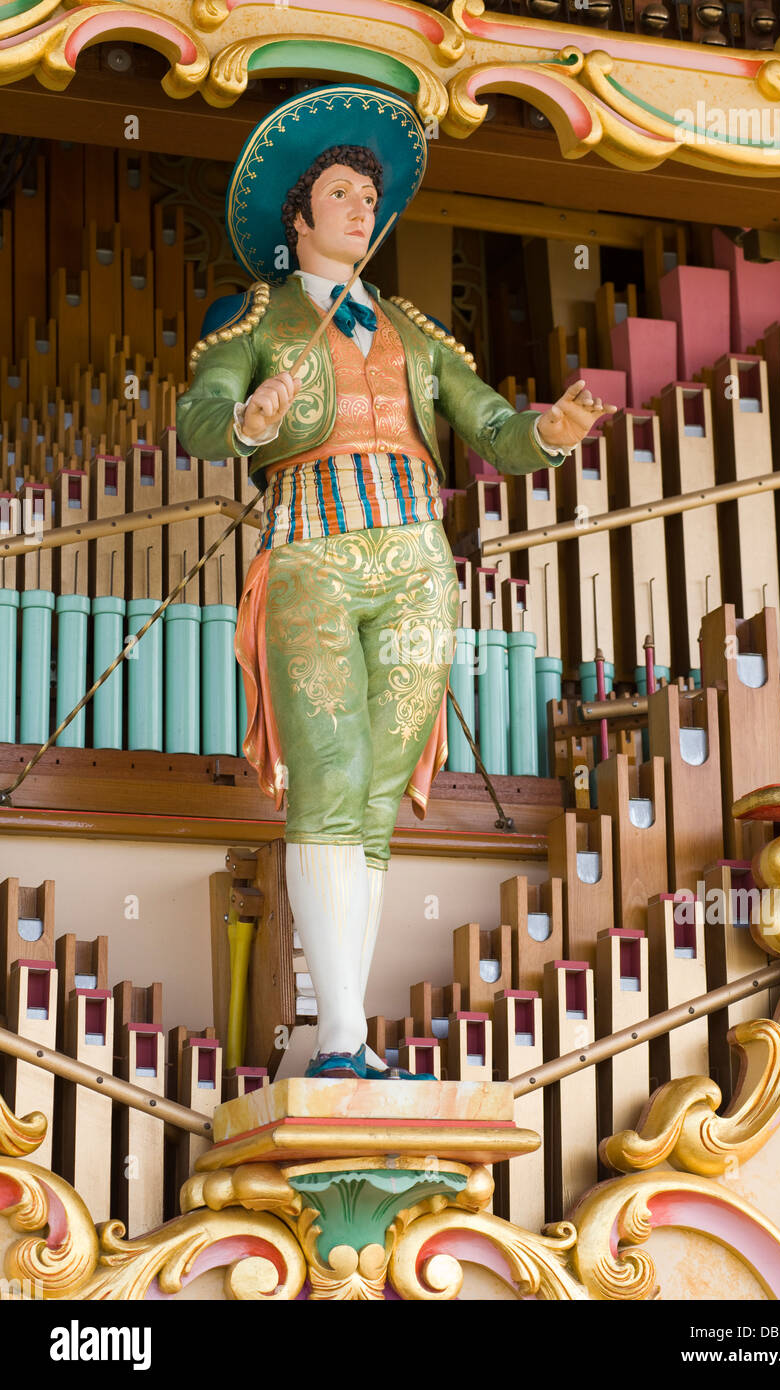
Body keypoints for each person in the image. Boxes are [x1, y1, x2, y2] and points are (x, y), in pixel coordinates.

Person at [176, 84, 614, 1081]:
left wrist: (543, 435)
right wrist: (251, 419)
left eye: (366, 197)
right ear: (299, 216)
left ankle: (348, 1036)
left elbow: (491, 428)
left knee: (375, 796)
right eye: (338, 192)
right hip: (312, 557)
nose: (358, 210)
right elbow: (198, 418)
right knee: (326, 780)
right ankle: (334, 1039)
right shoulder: (251, 321)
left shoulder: (416, 329)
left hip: (418, 562)